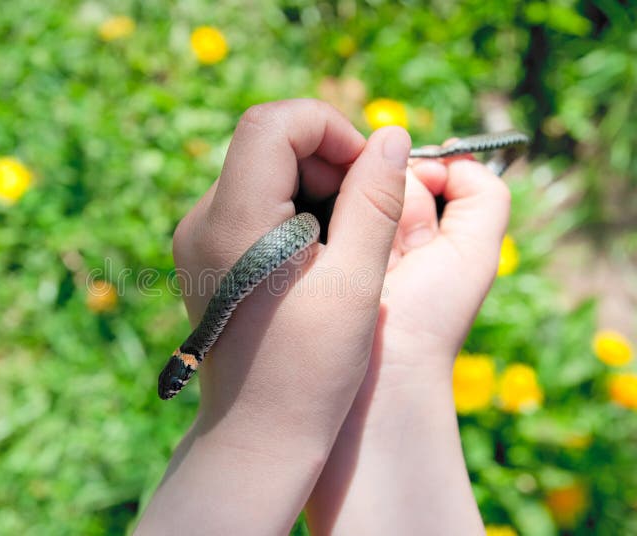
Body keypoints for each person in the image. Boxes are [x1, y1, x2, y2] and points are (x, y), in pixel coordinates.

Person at [136, 99, 510, 535]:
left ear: (188, 362)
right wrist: (400, 365)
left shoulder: (207, 334)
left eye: (180, 379)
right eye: (180, 382)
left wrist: (243, 427)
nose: (181, 384)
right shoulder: (201, 339)